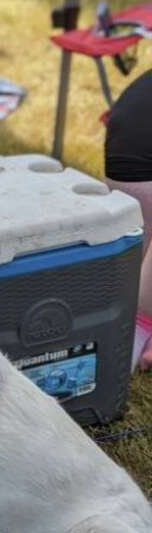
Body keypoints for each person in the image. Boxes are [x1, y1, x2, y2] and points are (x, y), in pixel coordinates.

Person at [103, 69, 152, 370]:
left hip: (117, 169)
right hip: (144, 171)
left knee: (138, 245)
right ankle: (138, 336)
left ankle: (123, 328)